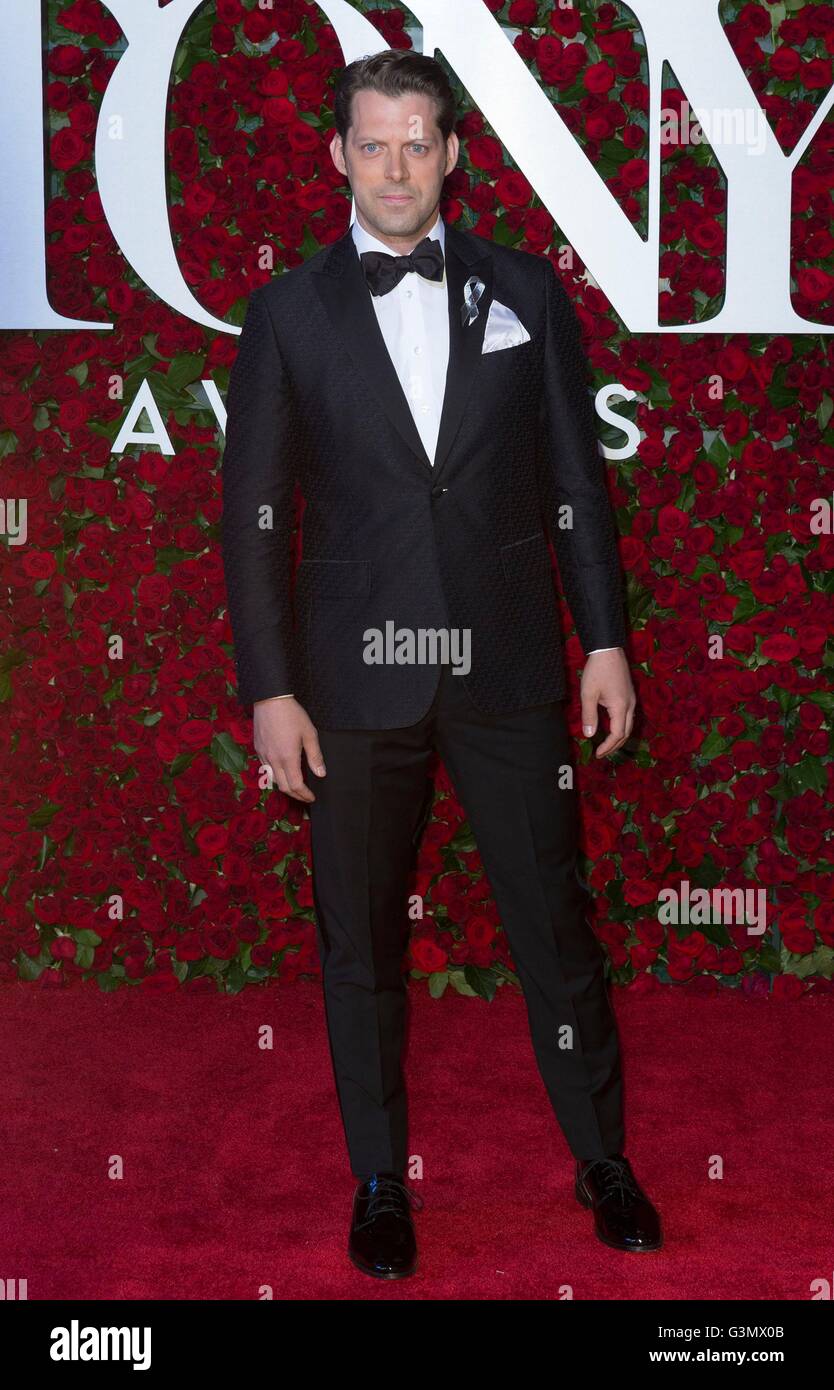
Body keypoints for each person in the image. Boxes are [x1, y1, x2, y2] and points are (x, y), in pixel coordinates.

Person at [221, 48, 662, 1279]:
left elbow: (577, 484)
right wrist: (269, 689)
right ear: (338, 158)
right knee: (358, 945)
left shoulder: (527, 290)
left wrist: (606, 642)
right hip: (351, 686)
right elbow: (252, 513)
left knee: (554, 931)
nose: (397, 165)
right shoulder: (290, 314)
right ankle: (378, 1184)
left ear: (454, 154)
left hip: (512, 666)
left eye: (419, 140)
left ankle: (602, 1159)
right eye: (374, 143)